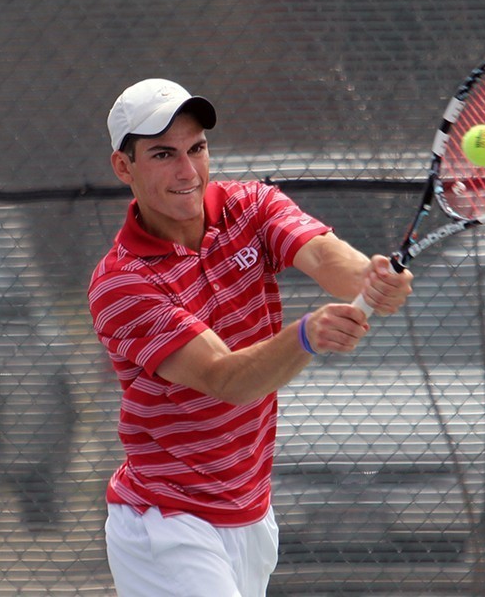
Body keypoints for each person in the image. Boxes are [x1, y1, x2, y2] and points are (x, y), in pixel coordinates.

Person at [89, 78, 414, 597]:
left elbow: (333, 263)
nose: (187, 171)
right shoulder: (122, 283)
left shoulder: (252, 206)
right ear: (124, 167)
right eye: (163, 154)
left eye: (196, 148)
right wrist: (307, 334)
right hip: (166, 522)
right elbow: (226, 377)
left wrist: (373, 282)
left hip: (250, 514)